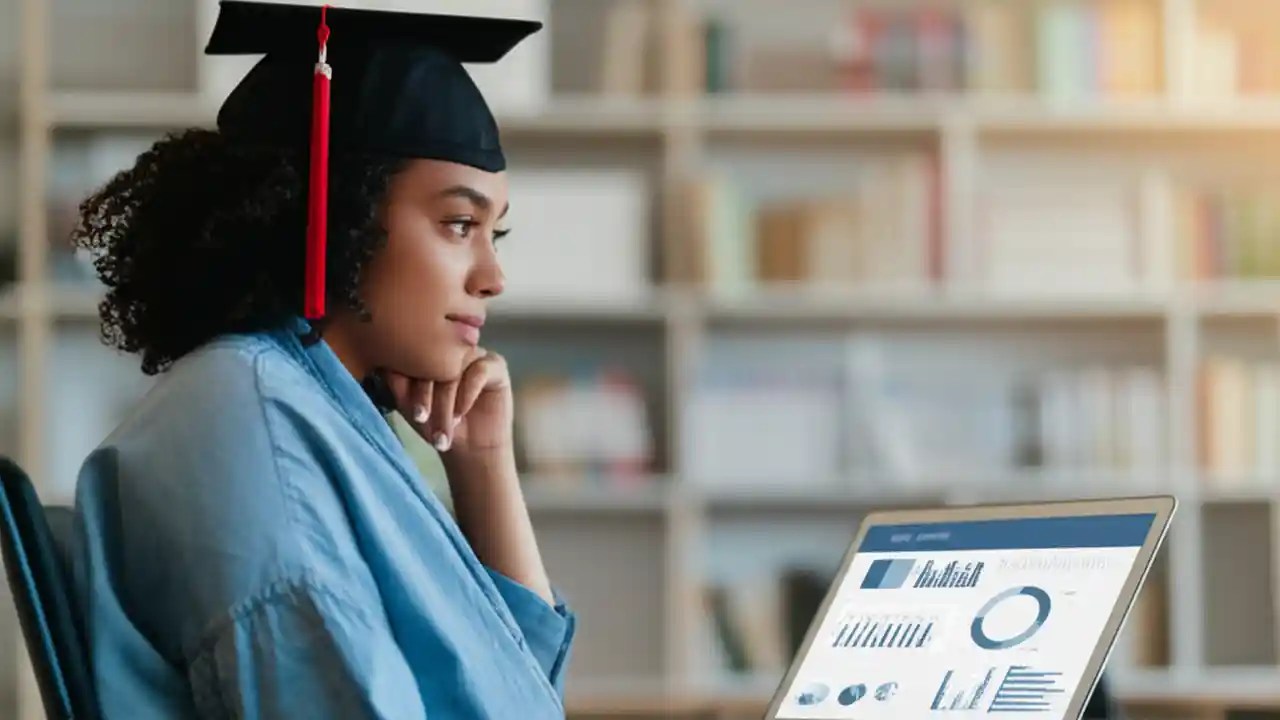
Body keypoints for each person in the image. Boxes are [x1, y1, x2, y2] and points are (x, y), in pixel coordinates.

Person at [65, 2, 575, 718]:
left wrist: (483, 463)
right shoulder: (250, 424)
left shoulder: (316, 413)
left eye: (496, 232)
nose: (493, 276)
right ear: (338, 214)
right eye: (460, 224)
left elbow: (516, 697)